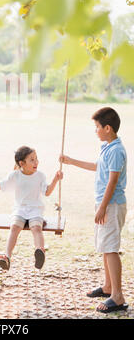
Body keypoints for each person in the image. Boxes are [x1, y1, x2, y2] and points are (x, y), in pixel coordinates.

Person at [60, 107, 128, 314]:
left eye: (97, 127)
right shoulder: (108, 147)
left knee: (110, 249)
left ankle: (117, 296)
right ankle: (108, 287)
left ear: (107, 128)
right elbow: (97, 167)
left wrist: (103, 207)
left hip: (111, 204)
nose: (95, 131)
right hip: (105, 204)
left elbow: (112, 181)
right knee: (105, 246)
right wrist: (70, 161)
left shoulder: (116, 150)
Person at [0, 145, 63, 271]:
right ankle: (7, 256)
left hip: (35, 209)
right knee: (15, 227)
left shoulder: (40, 176)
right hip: (20, 209)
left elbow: (47, 192)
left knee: (36, 227)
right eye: (32, 159)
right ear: (22, 163)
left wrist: (55, 179)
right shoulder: (15, 175)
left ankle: (39, 251)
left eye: (36, 158)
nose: (36, 162)